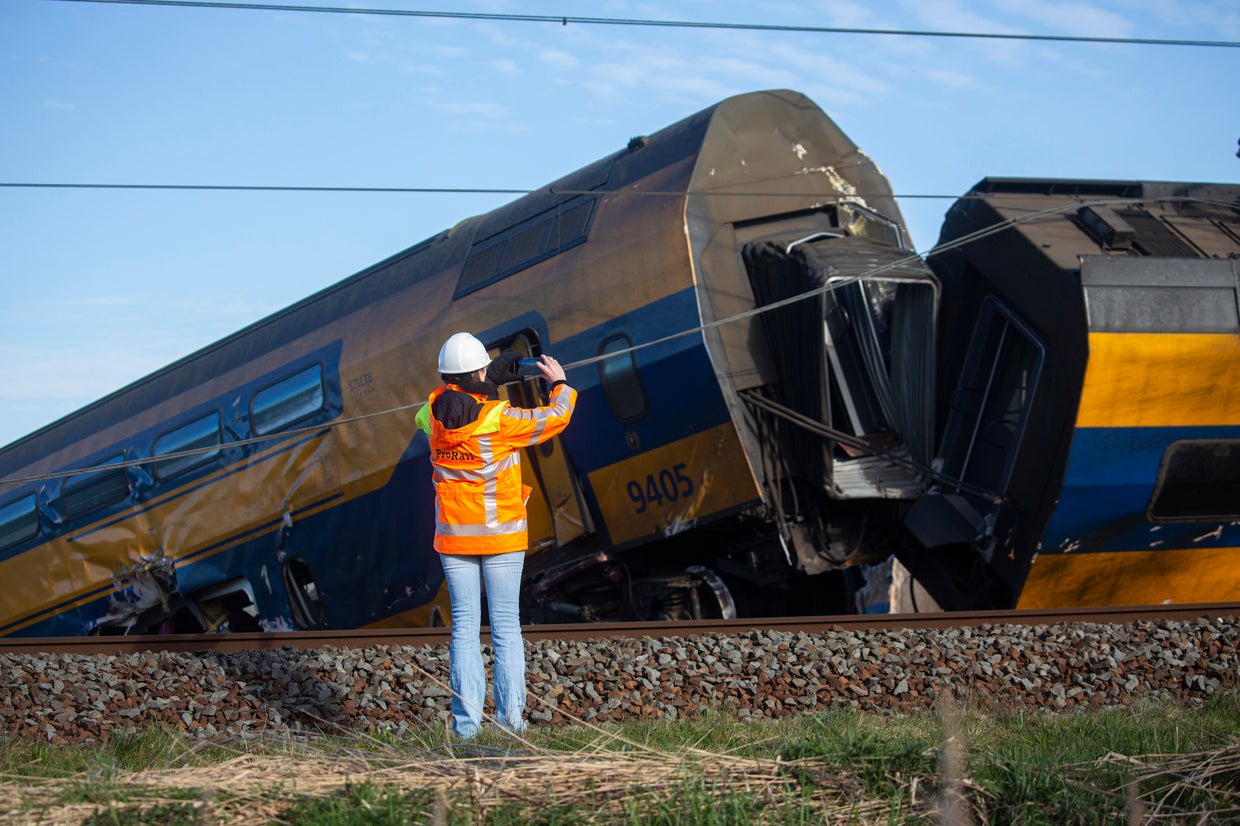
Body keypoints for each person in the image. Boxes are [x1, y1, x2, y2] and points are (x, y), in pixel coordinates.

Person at [416, 332, 576, 739]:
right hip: (500, 535)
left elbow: (449, 399)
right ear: (480, 371)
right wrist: (559, 384)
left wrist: (484, 382)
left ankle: (467, 729)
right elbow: (555, 417)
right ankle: (511, 725)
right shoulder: (500, 419)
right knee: (505, 628)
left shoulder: (430, 416)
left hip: (454, 538)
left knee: (464, 629)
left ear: (445, 376)